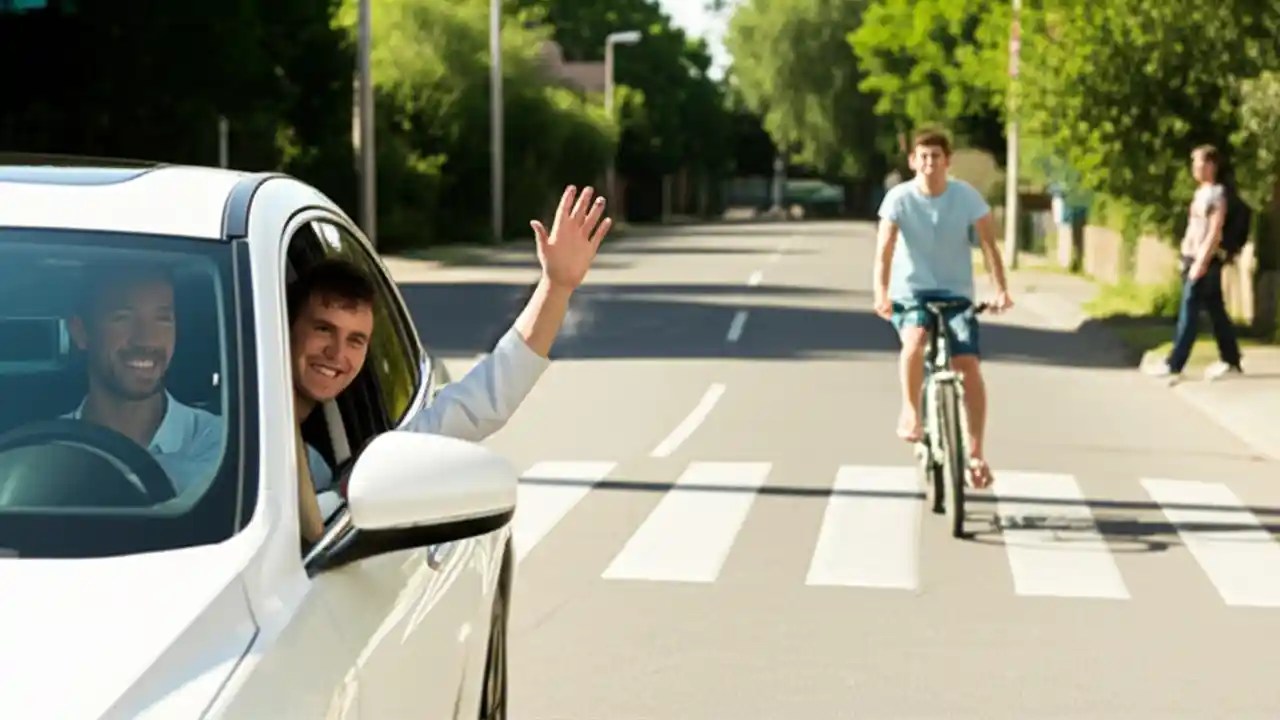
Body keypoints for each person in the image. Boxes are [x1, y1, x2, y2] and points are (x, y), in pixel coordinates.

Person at [290, 184, 611, 542]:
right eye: (322, 329)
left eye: (355, 340)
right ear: (286, 327)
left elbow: (486, 398)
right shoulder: (233, 435)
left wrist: (556, 287)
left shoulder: (357, 455)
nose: (336, 353)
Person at [872, 130, 1013, 490]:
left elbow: (988, 245)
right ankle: (910, 412)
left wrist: (1000, 290)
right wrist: (881, 293)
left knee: (968, 365)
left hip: (956, 294)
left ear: (947, 161)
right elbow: (885, 249)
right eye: (923, 156)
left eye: (936, 156)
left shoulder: (965, 196)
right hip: (911, 293)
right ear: (913, 161)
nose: (930, 163)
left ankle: (976, 454)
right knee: (915, 339)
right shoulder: (899, 199)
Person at [62, 263, 224, 494]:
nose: (147, 340)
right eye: (123, 317)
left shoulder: (223, 446)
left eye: (163, 319)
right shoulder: (44, 453)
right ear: (80, 332)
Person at [1142, 144, 1244, 382]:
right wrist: (1185, 254)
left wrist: (1201, 261)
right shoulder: (1201, 192)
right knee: (1216, 310)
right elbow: (1193, 228)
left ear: (1211, 165)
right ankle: (1231, 360)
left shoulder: (1217, 194)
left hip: (1204, 260)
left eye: (1198, 163)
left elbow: (1214, 231)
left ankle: (1174, 363)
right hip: (1193, 257)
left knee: (1189, 309)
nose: (1194, 168)